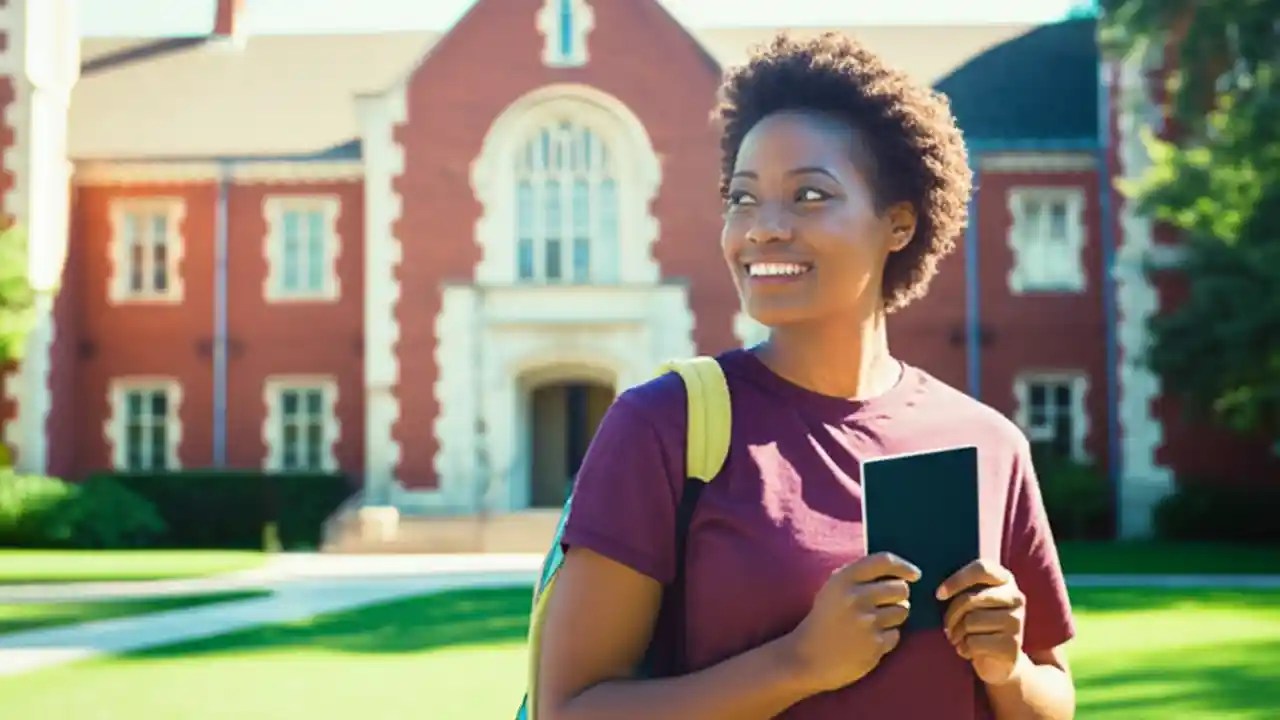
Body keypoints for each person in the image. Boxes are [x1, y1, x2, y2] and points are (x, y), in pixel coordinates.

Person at [534, 32, 1076, 720]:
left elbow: (1054, 699)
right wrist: (799, 663)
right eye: (742, 199)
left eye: (809, 196)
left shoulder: (988, 444)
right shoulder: (664, 427)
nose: (762, 228)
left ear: (899, 224)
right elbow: (572, 710)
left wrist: (1008, 671)